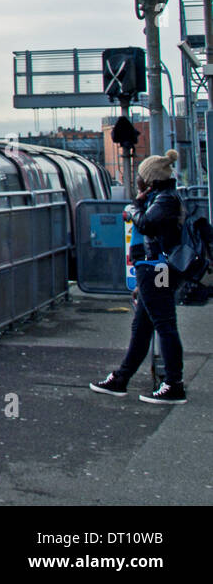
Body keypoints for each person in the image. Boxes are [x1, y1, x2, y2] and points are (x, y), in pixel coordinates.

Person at [90, 149, 187, 404]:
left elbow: (145, 224)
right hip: (151, 270)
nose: (137, 181)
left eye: (141, 177)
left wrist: (134, 207)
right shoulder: (160, 198)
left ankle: (173, 384)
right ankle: (121, 379)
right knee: (142, 328)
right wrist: (141, 202)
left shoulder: (165, 200)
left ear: (150, 179)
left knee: (164, 325)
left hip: (157, 269)